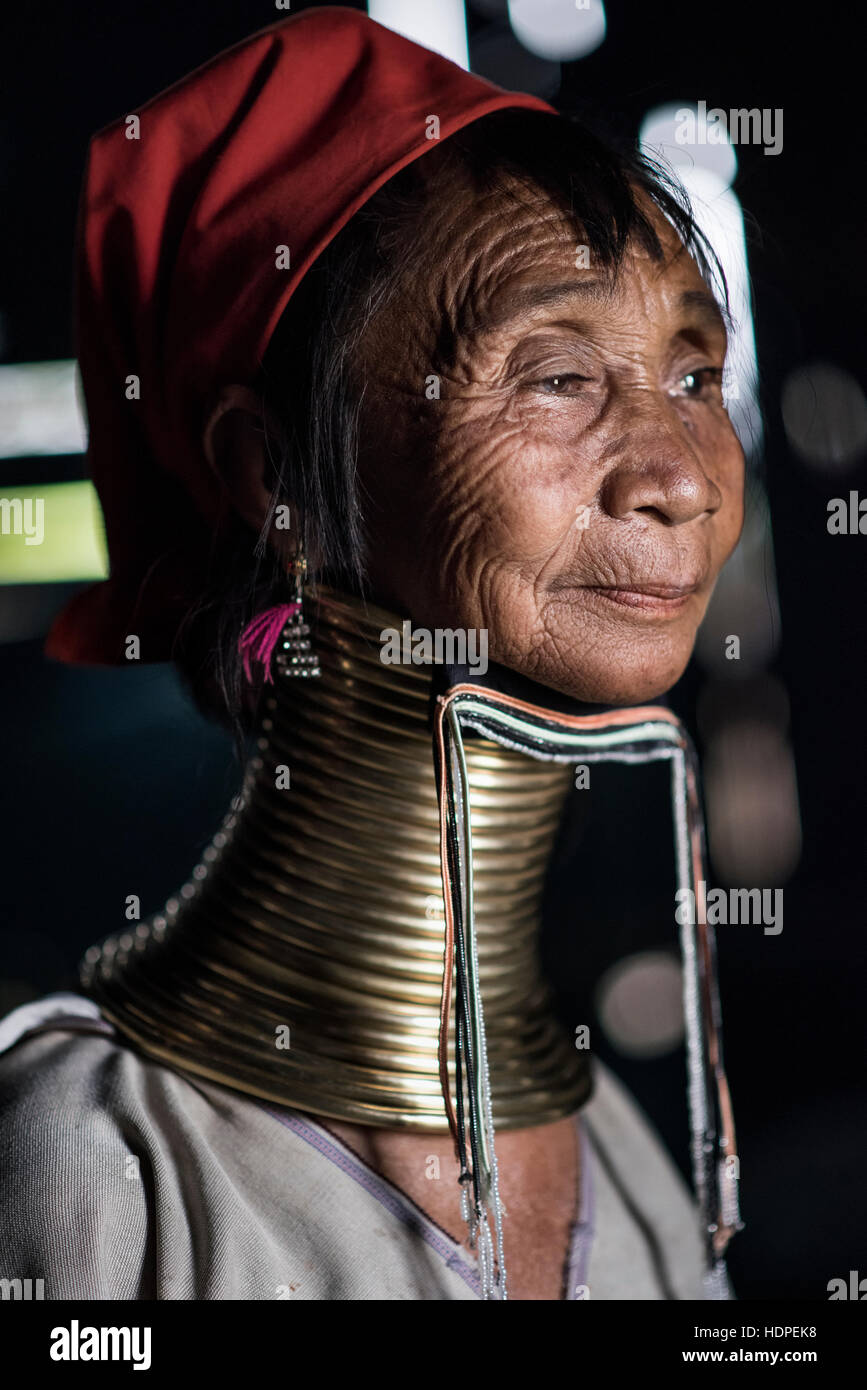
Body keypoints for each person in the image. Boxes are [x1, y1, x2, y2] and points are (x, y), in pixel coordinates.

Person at [0, 7, 744, 1301]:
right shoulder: (92, 1166)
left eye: (692, 374)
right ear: (271, 473)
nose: (682, 476)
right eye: (558, 375)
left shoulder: (626, 1163)